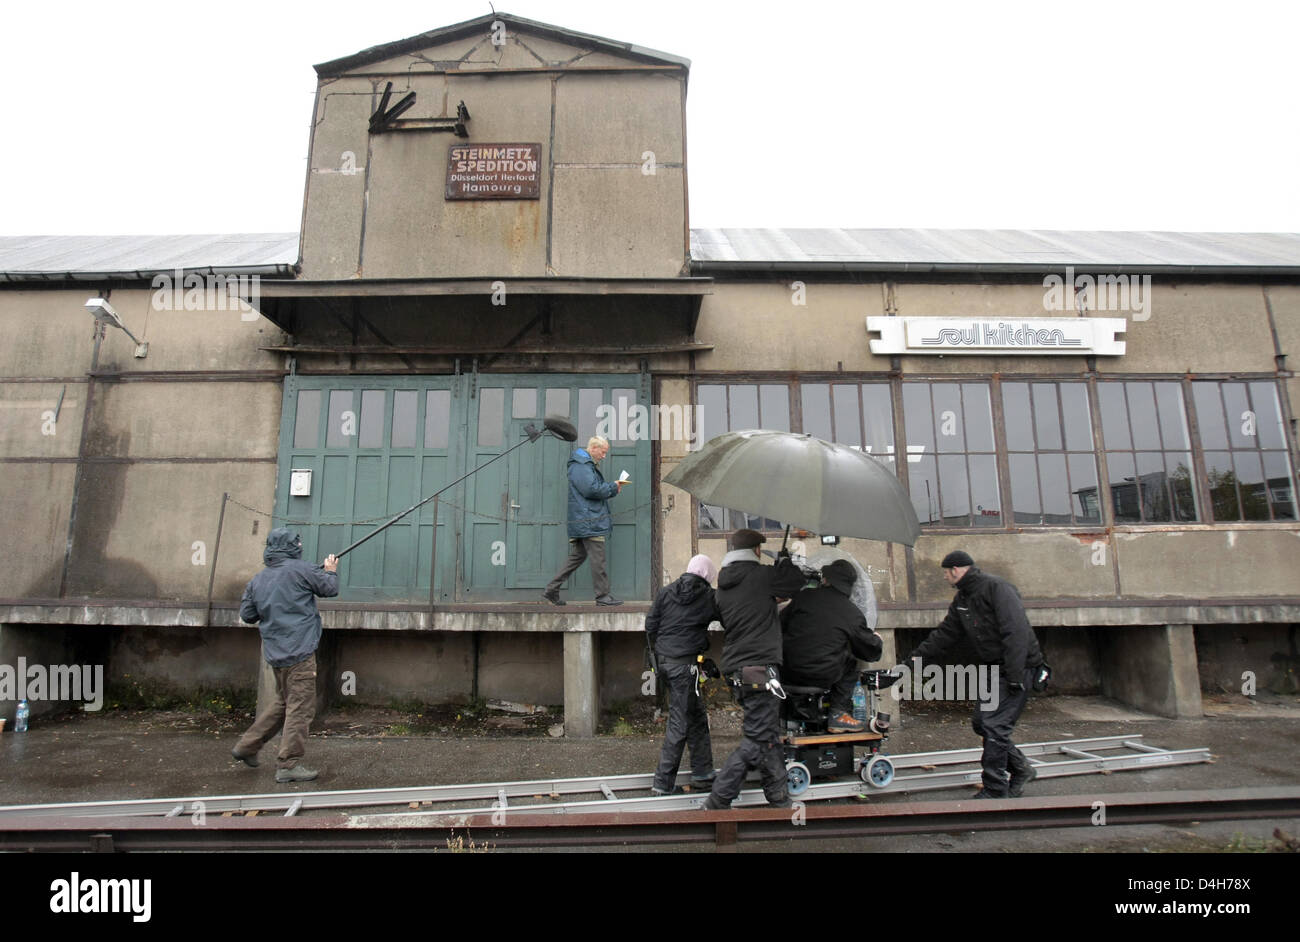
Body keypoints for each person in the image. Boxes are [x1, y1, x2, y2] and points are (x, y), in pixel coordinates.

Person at [909, 550, 1043, 798]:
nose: (946, 579)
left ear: (956, 571)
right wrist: (914, 659)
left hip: (1018, 667)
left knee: (995, 726)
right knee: (982, 722)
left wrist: (1015, 676)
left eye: (946, 574)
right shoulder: (963, 599)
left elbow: (1016, 632)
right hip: (994, 668)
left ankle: (995, 789)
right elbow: (945, 634)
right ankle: (1021, 768)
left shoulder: (997, 588)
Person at [703, 529, 807, 810]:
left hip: (738, 668)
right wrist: (785, 562)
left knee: (767, 733)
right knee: (757, 738)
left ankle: (778, 797)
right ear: (757, 550)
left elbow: (750, 606)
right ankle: (718, 799)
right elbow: (796, 583)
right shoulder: (762, 576)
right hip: (760, 667)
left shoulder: (723, 587)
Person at [231, 528, 339, 783]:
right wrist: (330, 569)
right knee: (300, 709)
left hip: (275, 654)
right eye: (298, 542)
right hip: (300, 652)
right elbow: (329, 588)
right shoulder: (302, 570)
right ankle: (288, 764)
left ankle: (247, 746)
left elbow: (248, 615)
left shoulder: (259, 580)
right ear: (293, 546)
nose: (300, 545)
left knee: (283, 704)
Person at [646, 554, 722, 796]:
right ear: (709, 576)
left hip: (664, 664)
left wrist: (660, 653)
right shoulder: (708, 596)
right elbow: (729, 618)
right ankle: (663, 783)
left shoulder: (666, 592)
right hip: (685, 667)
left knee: (696, 715)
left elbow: (650, 625)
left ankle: (703, 772)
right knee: (679, 722)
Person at [780, 559, 884, 732]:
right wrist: (877, 640)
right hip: (822, 676)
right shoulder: (851, 612)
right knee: (852, 659)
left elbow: (779, 625)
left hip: (786, 671)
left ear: (826, 580)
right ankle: (838, 713)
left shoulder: (803, 597)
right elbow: (870, 652)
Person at [542, 435, 627, 606]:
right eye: (602, 452)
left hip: (587, 518)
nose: (604, 456)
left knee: (577, 557)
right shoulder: (581, 465)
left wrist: (612, 488)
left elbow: (591, 489)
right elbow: (590, 490)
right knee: (598, 559)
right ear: (593, 448)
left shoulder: (584, 465)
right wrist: (612, 487)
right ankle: (602, 596)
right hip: (588, 519)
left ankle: (552, 589)